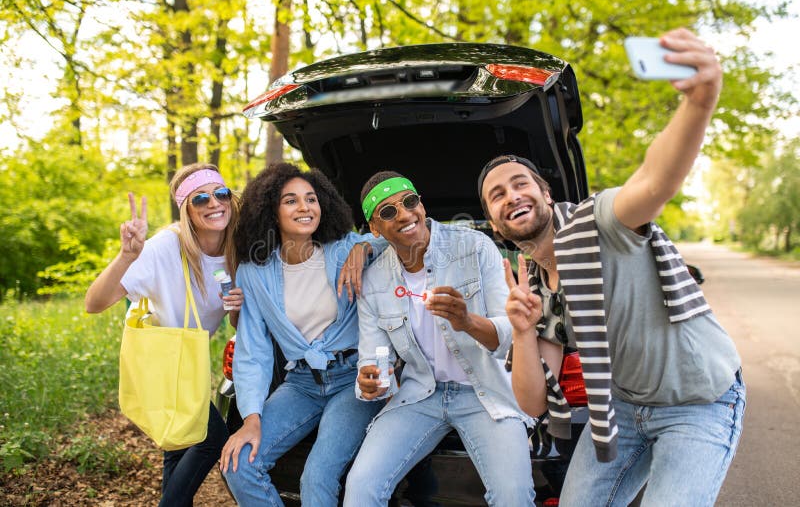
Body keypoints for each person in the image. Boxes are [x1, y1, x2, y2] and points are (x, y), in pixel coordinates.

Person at [478, 28, 744, 506]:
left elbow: (654, 181)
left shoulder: (598, 222)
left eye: (521, 183)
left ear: (546, 195)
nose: (511, 195)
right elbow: (534, 403)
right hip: (621, 408)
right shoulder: (534, 286)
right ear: (497, 227)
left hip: (697, 403)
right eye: (496, 195)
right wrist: (521, 330)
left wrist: (698, 105)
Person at [343, 171, 536, 507]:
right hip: (421, 395)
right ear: (374, 229)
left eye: (409, 201)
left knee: (513, 495)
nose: (404, 214)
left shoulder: (474, 247)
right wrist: (370, 383)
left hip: (487, 392)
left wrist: (467, 322)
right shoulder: (373, 282)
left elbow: (512, 335)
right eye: (387, 212)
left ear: (421, 203)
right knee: (361, 488)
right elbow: (373, 362)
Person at [219, 163, 386, 507]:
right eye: (291, 201)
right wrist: (251, 419)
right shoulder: (254, 273)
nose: (305, 207)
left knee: (317, 476)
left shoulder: (343, 249)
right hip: (301, 385)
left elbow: (390, 239)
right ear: (270, 211)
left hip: (352, 380)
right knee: (239, 463)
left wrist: (365, 246)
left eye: (311, 199)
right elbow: (253, 351)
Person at [85, 163, 243, 507]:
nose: (214, 203)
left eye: (220, 194)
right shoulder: (164, 248)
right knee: (210, 437)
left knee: (179, 447)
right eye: (201, 198)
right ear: (186, 208)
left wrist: (236, 308)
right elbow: (94, 303)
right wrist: (127, 256)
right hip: (161, 361)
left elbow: (235, 325)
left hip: (189, 363)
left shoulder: (236, 250)